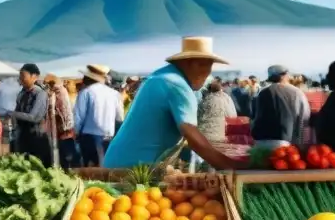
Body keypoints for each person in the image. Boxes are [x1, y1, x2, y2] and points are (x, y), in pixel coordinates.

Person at [103, 36, 245, 170]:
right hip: (130, 169)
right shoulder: (178, 85)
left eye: (210, 66)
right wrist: (229, 166)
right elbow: (193, 137)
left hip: (119, 162)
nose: (208, 72)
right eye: (204, 65)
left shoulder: (161, 76)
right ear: (190, 63)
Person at [250, 65, 311, 145]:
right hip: (286, 144)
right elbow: (304, 118)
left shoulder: (262, 93)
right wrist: (302, 144)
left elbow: (255, 117)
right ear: (284, 76)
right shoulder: (296, 92)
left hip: (261, 142)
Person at [73, 65, 121, 166]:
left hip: (89, 136)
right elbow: (119, 118)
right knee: (105, 167)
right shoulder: (115, 94)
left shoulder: (86, 92)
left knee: (90, 170)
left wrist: (76, 133)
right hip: (109, 135)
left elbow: (78, 117)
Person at [12, 63, 51, 165]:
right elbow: (17, 111)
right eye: (20, 76)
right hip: (22, 137)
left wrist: (13, 114)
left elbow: (35, 117)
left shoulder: (40, 94)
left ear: (34, 77)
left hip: (37, 136)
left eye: (23, 76)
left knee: (38, 166)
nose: (21, 79)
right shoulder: (21, 93)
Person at [197, 78, 237, 144]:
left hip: (202, 135)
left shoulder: (204, 99)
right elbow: (232, 116)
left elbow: (197, 116)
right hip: (218, 135)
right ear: (221, 88)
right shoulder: (225, 98)